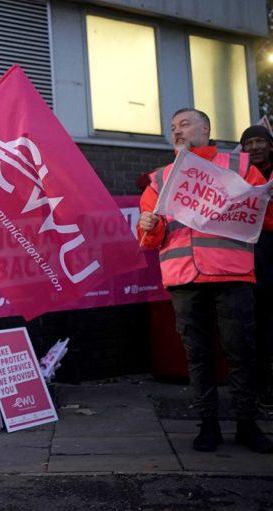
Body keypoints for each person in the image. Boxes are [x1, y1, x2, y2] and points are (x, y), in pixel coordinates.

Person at [138, 108, 273, 454]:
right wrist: (148, 226)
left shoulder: (240, 167)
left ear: (206, 128)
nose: (177, 132)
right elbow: (150, 240)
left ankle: (247, 424)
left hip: (232, 272)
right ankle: (208, 425)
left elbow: (266, 219)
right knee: (198, 356)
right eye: (172, 128)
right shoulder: (159, 179)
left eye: (184, 124)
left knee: (241, 352)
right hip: (184, 276)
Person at [241, 124, 273, 408]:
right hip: (252, 252)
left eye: (259, 141)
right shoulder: (237, 175)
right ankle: (262, 385)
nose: (254, 147)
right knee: (259, 326)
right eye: (248, 143)